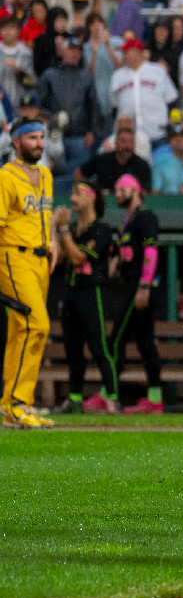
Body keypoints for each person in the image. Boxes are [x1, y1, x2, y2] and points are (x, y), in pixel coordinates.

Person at [0, 120, 58, 428]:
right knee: (37, 324)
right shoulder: (5, 177)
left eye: (41, 137)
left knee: (22, 330)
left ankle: (14, 404)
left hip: (39, 259)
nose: (38, 143)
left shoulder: (46, 175)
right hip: (12, 255)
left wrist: (55, 242)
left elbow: (45, 215)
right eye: (32, 138)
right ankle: (19, 401)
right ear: (16, 141)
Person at [52, 180, 118, 415]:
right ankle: (75, 399)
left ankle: (111, 398)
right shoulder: (73, 228)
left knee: (98, 346)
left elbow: (79, 258)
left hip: (93, 292)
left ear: (92, 197)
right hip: (71, 292)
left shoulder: (100, 228)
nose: (72, 198)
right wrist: (55, 229)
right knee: (73, 349)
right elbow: (59, 259)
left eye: (78, 193)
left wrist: (62, 231)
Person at [110, 174, 165, 414]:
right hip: (129, 284)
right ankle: (154, 399)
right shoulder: (128, 220)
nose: (118, 194)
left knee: (114, 341)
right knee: (145, 343)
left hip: (137, 286)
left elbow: (151, 251)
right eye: (116, 190)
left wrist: (144, 286)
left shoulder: (144, 216)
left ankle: (107, 394)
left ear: (136, 190)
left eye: (122, 189)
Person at [37, 33, 104, 179]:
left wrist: (92, 132)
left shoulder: (86, 77)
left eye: (78, 51)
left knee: (79, 178)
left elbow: (94, 107)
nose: (75, 53)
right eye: (71, 49)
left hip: (79, 138)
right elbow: (40, 104)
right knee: (51, 176)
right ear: (62, 52)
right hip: (53, 137)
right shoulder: (49, 75)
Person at [110, 37, 178, 146]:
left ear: (137, 52)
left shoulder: (157, 70)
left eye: (126, 52)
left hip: (157, 133)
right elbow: (115, 106)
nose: (123, 55)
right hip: (131, 137)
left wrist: (171, 122)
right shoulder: (117, 75)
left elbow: (171, 100)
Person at [76, 121, 151, 194]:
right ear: (116, 143)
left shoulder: (142, 165)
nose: (127, 146)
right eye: (123, 142)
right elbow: (79, 172)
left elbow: (145, 192)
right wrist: (83, 192)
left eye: (131, 142)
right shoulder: (102, 160)